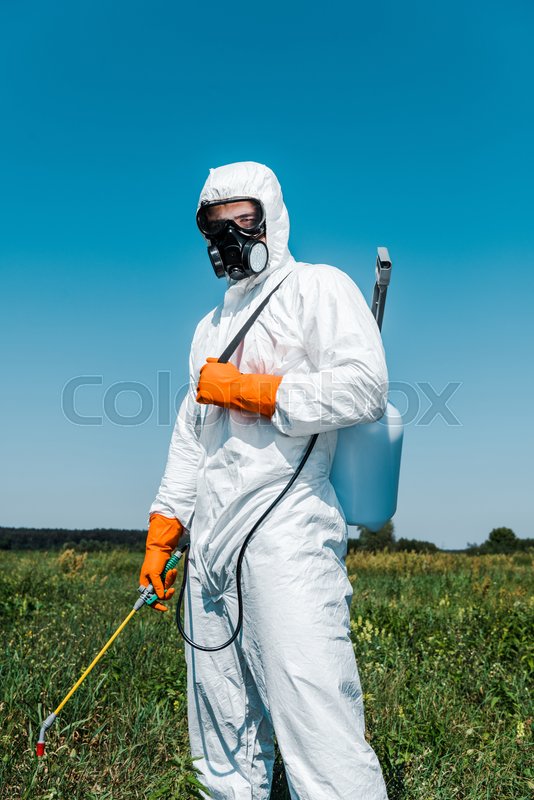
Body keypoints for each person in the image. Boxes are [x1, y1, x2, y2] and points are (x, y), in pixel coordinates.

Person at [139, 161, 389, 799]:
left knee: (318, 727)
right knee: (222, 737)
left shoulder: (318, 287)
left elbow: (364, 386)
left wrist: (254, 391)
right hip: (210, 550)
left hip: (287, 537)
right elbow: (191, 437)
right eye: (215, 228)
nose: (229, 239)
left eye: (242, 222)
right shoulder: (209, 328)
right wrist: (165, 530)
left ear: (271, 218)